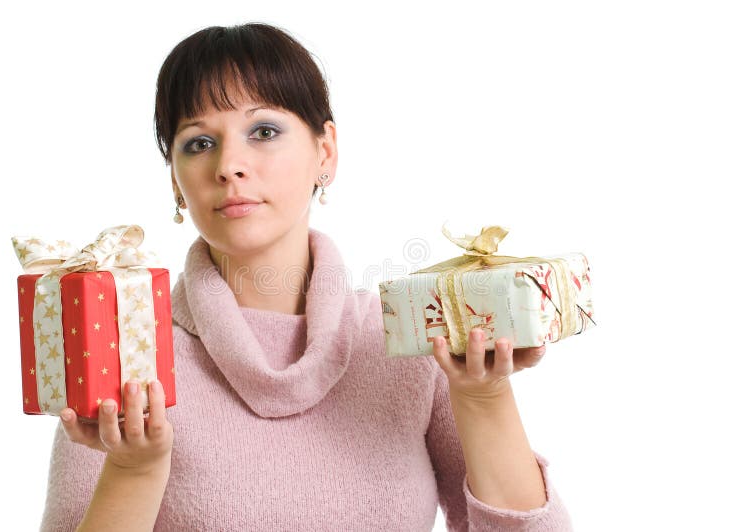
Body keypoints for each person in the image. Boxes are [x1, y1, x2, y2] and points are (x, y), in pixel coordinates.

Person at [41, 23, 573, 531]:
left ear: (325, 152)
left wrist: (484, 399)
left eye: (264, 131)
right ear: (176, 183)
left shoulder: (410, 337)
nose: (229, 165)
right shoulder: (121, 352)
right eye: (198, 143)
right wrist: (134, 472)